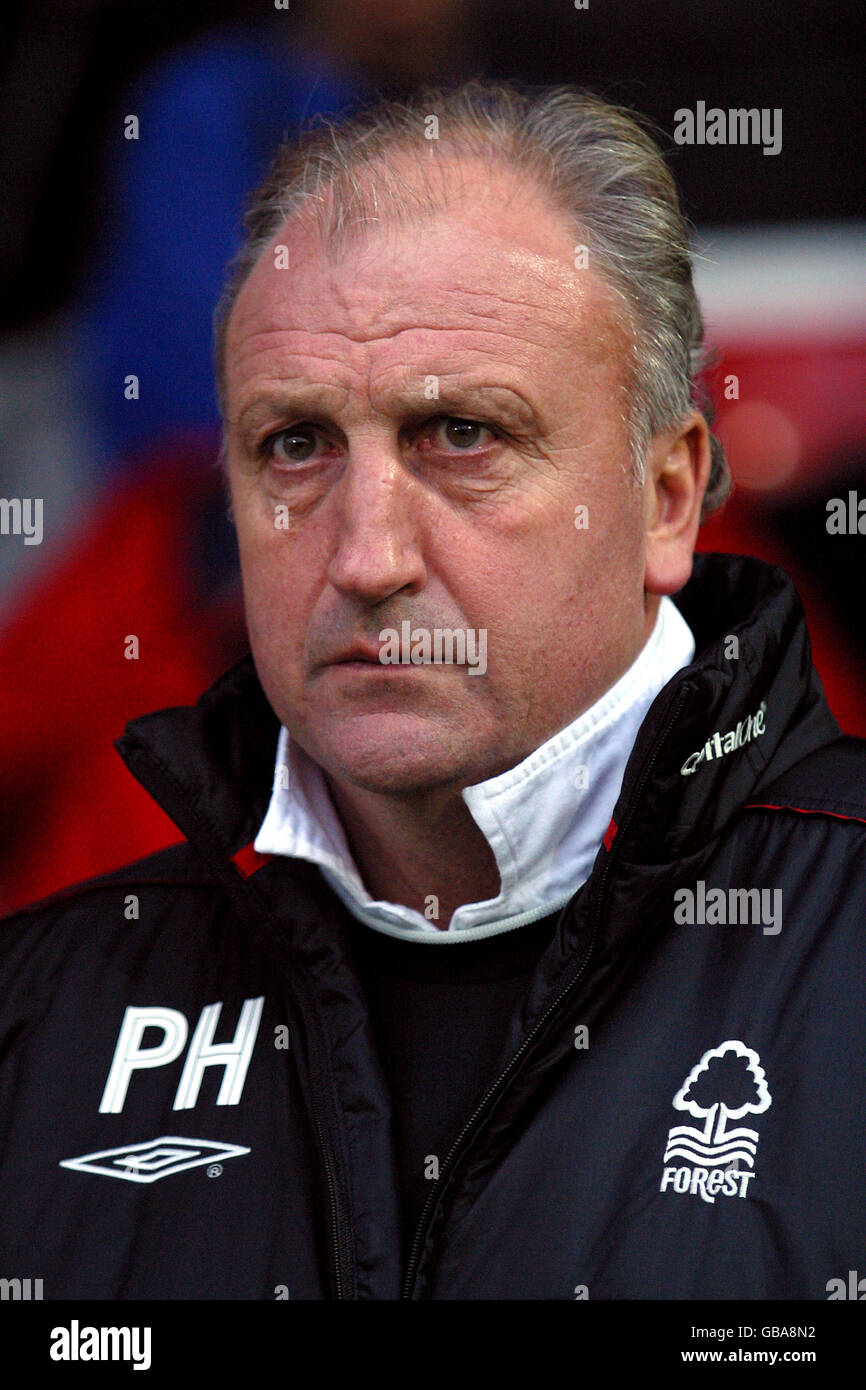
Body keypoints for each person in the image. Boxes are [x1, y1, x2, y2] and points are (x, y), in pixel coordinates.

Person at [1, 81, 864, 1301]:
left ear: (668, 495)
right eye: (294, 444)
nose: (363, 555)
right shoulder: (37, 1017)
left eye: (460, 434)